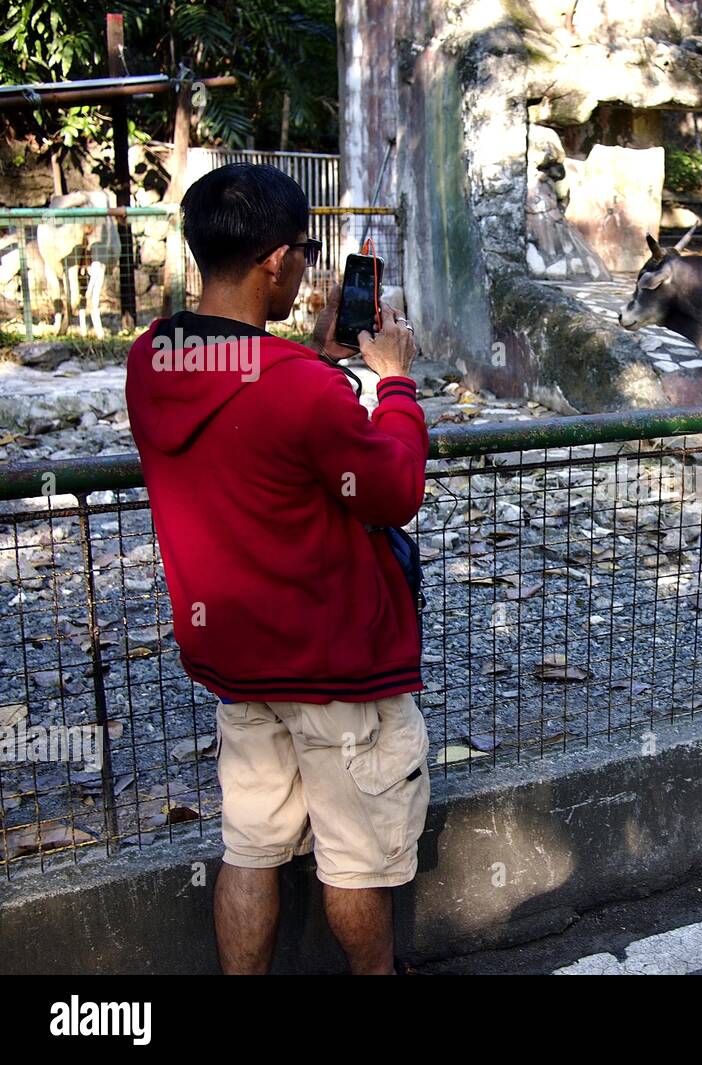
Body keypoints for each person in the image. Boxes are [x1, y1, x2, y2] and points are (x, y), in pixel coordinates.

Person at [124, 163, 430, 975]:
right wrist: (393, 384)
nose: (306, 265)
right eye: (302, 249)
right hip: (333, 666)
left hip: (237, 664)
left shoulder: (152, 361)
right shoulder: (296, 388)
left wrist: (320, 364)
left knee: (251, 846)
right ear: (273, 262)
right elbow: (392, 490)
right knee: (357, 860)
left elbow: (254, 406)